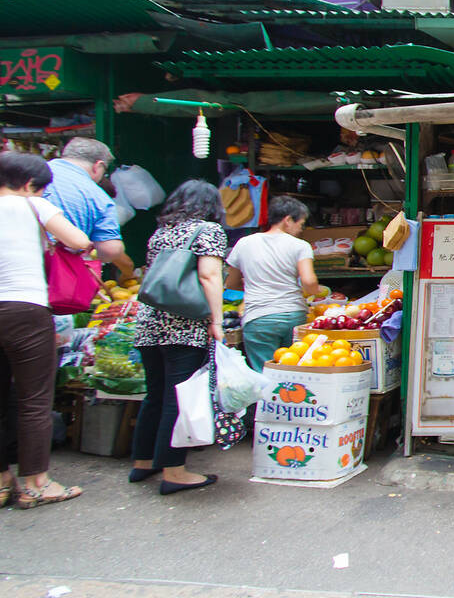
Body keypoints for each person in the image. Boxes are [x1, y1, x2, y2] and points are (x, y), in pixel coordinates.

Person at [0, 152, 93, 508]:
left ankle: (2, 480)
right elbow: (79, 241)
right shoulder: (33, 205)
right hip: (25, 309)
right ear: (28, 185)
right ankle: (36, 483)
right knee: (34, 401)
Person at [130, 180, 227, 495]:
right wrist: (216, 321)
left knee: (155, 394)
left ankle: (143, 462)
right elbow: (209, 275)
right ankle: (174, 471)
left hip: (150, 323)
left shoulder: (161, 232)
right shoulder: (209, 231)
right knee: (179, 396)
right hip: (185, 324)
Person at [225, 196, 326, 370]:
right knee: (294, 370)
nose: (300, 230)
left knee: (265, 373)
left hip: (258, 318)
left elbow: (231, 283)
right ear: (288, 220)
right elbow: (309, 282)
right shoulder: (300, 246)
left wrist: (254, 284)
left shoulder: (244, 243)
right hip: (293, 316)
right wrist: (317, 291)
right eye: (300, 224)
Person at [43, 137, 134, 280]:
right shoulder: (98, 197)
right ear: (98, 166)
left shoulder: (32, 173)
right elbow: (110, 250)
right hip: (55, 275)